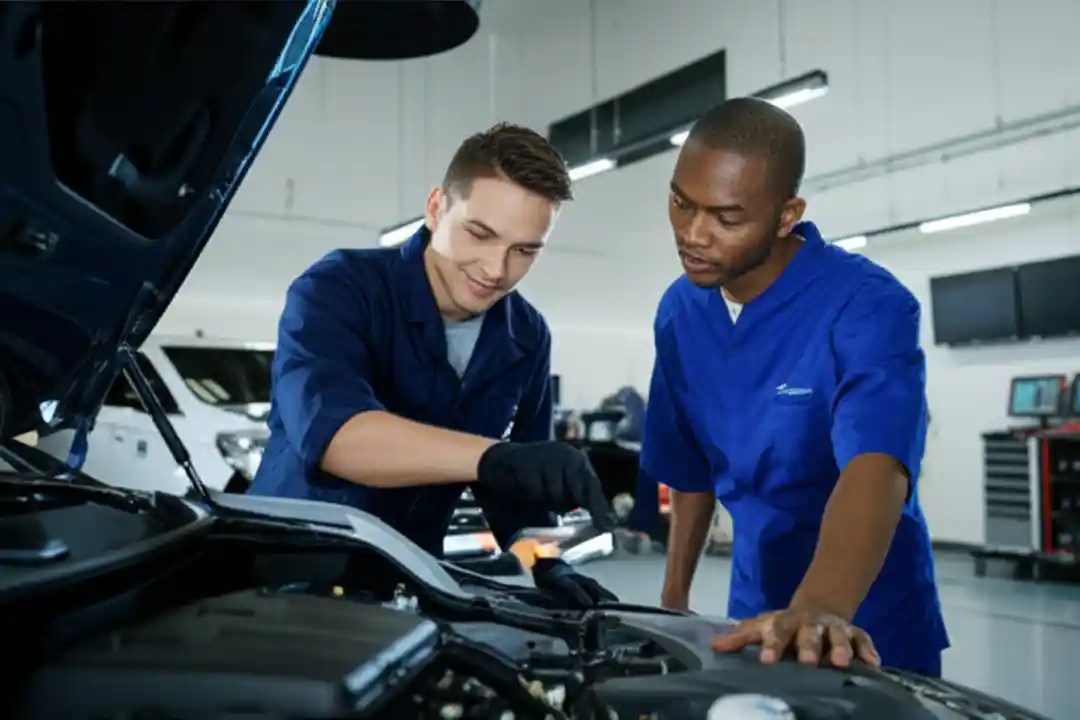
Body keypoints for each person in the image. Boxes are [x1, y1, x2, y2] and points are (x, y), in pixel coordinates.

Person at [639, 98, 949, 676]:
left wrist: (821, 608)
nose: (693, 234)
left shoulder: (867, 305)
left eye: (727, 219)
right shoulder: (681, 311)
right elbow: (688, 471)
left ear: (786, 215)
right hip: (753, 612)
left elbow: (877, 465)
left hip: (865, 618)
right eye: (681, 204)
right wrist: (673, 604)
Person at [249, 123, 617, 609]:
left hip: (412, 581)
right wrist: (492, 457)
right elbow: (337, 438)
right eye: (479, 234)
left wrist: (548, 561)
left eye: (524, 250)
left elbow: (519, 494)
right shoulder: (339, 289)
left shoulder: (527, 336)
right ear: (436, 207)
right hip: (286, 572)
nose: (495, 269)